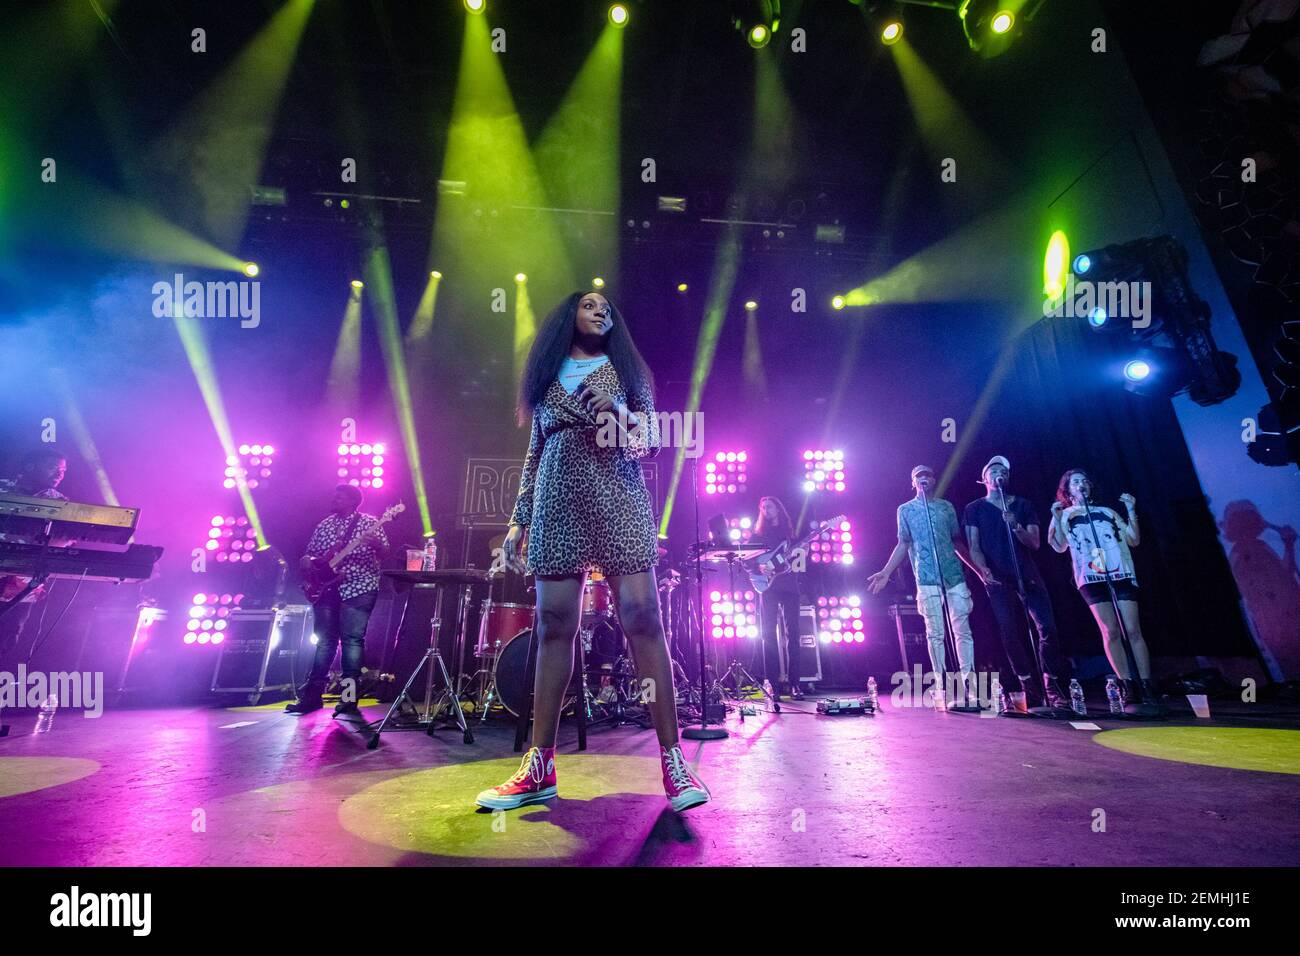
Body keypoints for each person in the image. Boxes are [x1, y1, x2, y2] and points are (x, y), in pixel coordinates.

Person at [479, 290, 709, 813]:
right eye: (589, 303)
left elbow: (650, 439)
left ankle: (673, 761)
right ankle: (540, 765)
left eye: (608, 304)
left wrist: (621, 411)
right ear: (569, 316)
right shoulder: (545, 379)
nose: (601, 308)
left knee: (642, 616)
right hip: (557, 503)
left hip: (618, 496)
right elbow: (534, 454)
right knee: (554, 624)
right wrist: (518, 520)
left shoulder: (627, 372)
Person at [1047, 468, 1161, 710]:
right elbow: (1058, 546)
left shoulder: (1107, 512)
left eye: (1084, 481)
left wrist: (1131, 511)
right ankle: (1126, 684)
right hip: (1090, 577)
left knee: (1132, 629)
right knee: (1110, 631)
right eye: (1075, 482)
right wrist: (1056, 518)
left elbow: (1133, 539)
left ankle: (1147, 685)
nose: (1081, 484)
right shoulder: (1065, 514)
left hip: (1121, 573)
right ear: (1067, 489)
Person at [963, 456, 1070, 710]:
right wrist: (982, 569)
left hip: (1027, 573)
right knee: (1009, 631)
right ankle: (1027, 685)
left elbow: (1034, 542)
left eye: (1003, 471)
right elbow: (974, 546)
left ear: (1007, 478)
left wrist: (1016, 525)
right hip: (998, 578)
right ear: (985, 478)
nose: (999, 473)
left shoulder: (1022, 505)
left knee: (1047, 629)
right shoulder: (974, 509)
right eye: (994, 470)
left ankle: (1051, 683)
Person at [868, 465, 981, 705]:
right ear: (913, 482)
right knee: (935, 633)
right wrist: (886, 572)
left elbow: (957, 542)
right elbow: (903, 543)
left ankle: (969, 684)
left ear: (933, 479)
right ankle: (941, 685)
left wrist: (978, 570)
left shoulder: (945, 507)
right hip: (927, 576)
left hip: (953, 574)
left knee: (963, 630)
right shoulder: (905, 510)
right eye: (918, 476)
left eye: (927, 475)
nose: (923, 478)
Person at [286, 484, 389, 716]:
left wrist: (377, 546)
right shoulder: (325, 525)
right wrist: (306, 560)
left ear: (352, 501)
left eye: (339, 497)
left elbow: (384, 552)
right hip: (327, 589)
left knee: (352, 642)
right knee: (324, 642)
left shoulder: (369, 523)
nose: (333, 499)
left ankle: (349, 700)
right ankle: (312, 697)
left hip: (359, 587)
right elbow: (313, 555)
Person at [0, 448, 70, 665]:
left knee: (8, 637)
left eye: (63, 470)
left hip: (23, 583)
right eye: (53, 467)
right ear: (31, 467)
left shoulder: (61, 501)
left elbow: (67, 537)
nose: (59, 474)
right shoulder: (4, 489)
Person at [752, 495, 806, 699]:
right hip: (768, 588)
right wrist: (758, 567)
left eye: (770, 506)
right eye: (763, 507)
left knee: (794, 634)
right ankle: (772, 684)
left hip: (789, 585)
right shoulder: (758, 535)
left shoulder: (790, 534)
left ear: (778, 508)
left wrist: (802, 553)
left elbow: (800, 562)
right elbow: (747, 560)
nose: (766, 510)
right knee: (768, 634)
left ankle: (795, 685)